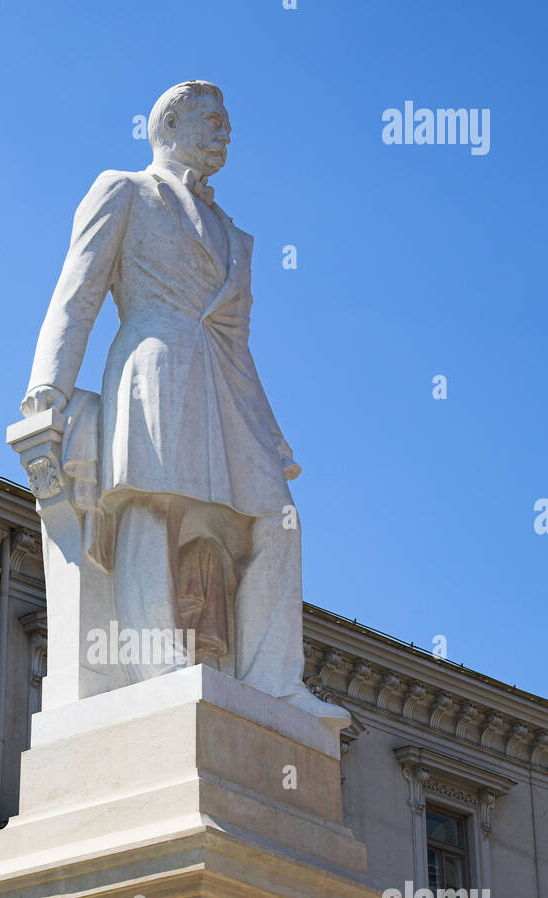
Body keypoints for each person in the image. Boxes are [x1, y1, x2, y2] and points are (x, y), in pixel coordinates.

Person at [21, 80, 331, 714]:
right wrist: (45, 392)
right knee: (149, 503)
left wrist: (270, 432)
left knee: (280, 521)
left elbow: (236, 337)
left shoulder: (238, 238)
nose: (224, 132)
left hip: (229, 384)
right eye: (211, 120)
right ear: (167, 123)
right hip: (152, 363)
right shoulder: (123, 190)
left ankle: (274, 680)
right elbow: (76, 296)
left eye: (227, 123)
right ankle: (156, 665)